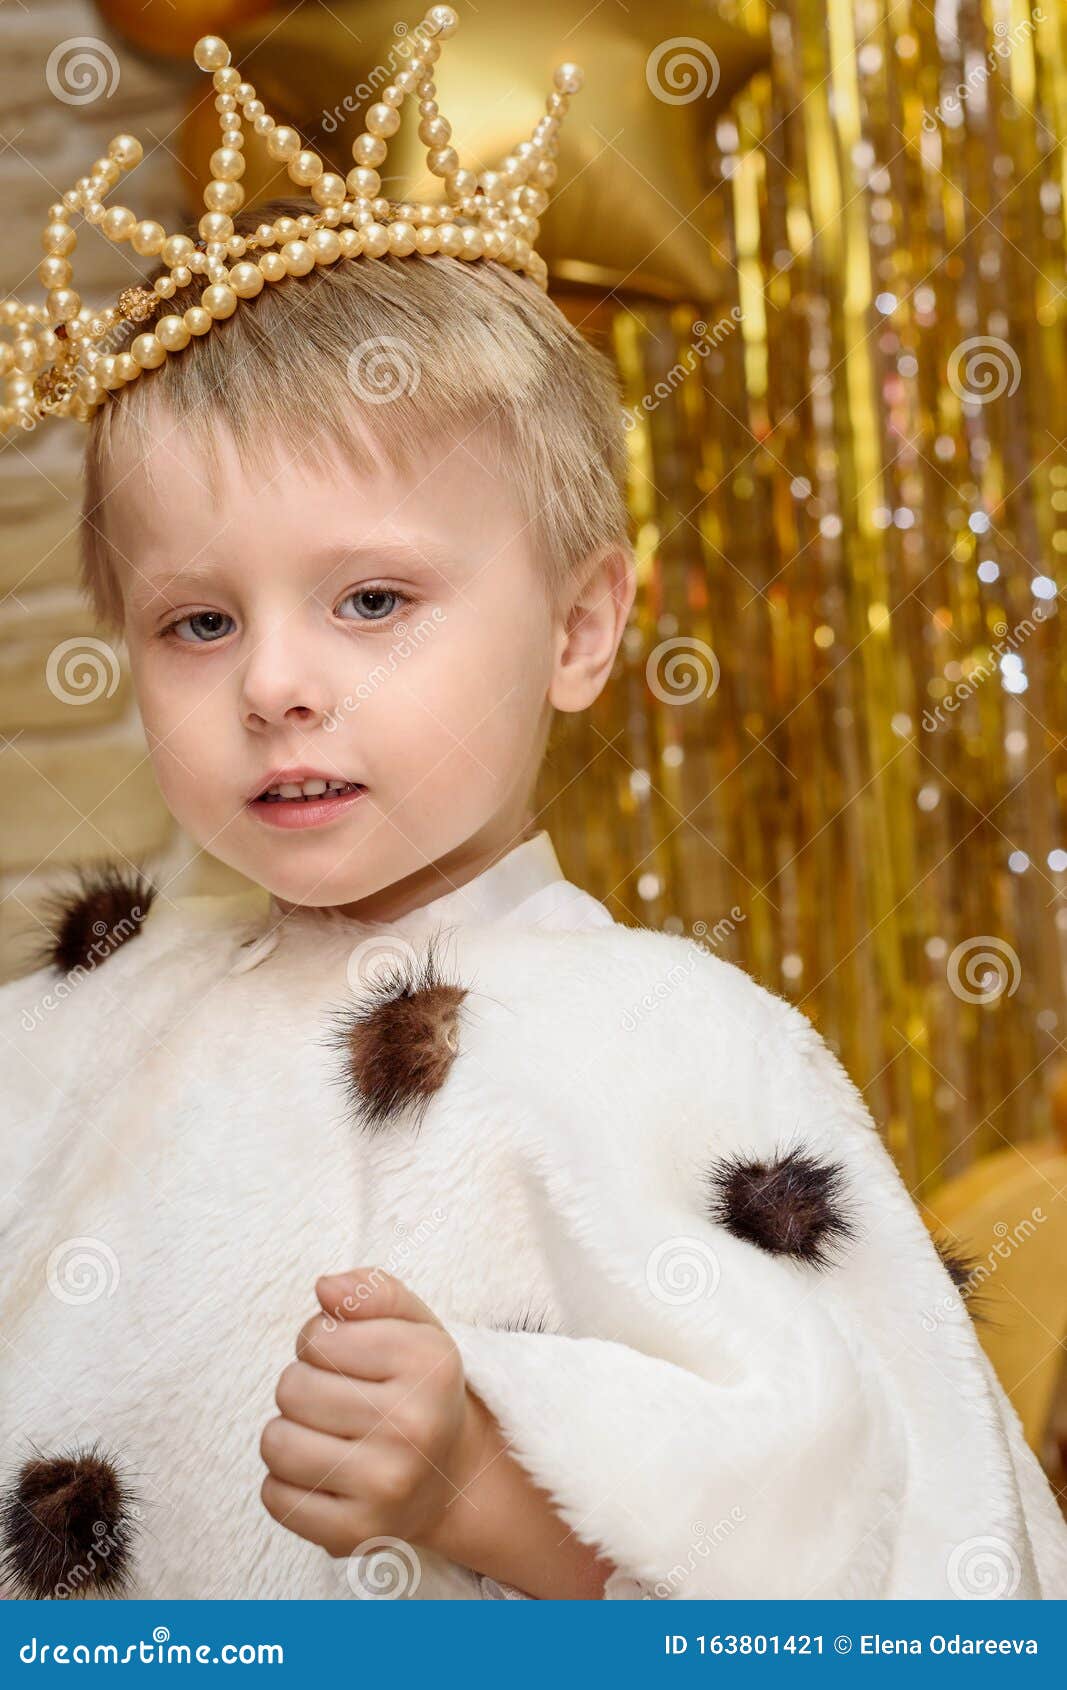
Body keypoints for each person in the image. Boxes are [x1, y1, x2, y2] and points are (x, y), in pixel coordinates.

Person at [3, 8, 1067, 1605]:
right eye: (198, 622)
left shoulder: (681, 1046)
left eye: (371, 600)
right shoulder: (58, 1052)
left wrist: (488, 1492)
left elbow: (910, 1567)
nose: (274, 684)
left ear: (579, 628)